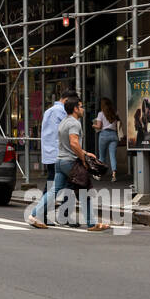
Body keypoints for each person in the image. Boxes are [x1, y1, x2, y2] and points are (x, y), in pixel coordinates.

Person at [57, 96, 110, 231]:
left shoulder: (63, 122)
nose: (83, 109)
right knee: (84, 190)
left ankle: (36, 214)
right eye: (81, 107)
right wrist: (83, 159)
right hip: (70, 161)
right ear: (75, 109)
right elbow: (74, 143)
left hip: (60, 160)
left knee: (57, 190)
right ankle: (91, 223)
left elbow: (70, 144)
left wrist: (85, 154)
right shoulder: (74, 123)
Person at [27, 91, 73, 229]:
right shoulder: (61, 111)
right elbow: (65, 132)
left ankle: (42, 214)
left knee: (52, 184)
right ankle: (62, 216)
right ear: (66, 101)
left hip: (50, 153)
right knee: (67, 184)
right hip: (60, 153)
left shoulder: (48, 111)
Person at [95, 98, 121, 183]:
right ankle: (114, 175)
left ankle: (99, 175)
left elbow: (98, 126)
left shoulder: (100, 114)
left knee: (102, 156)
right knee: (112, 156)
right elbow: (119, 123)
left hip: (104, 135)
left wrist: (93, 125)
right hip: (113, 135)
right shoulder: (115, 113)